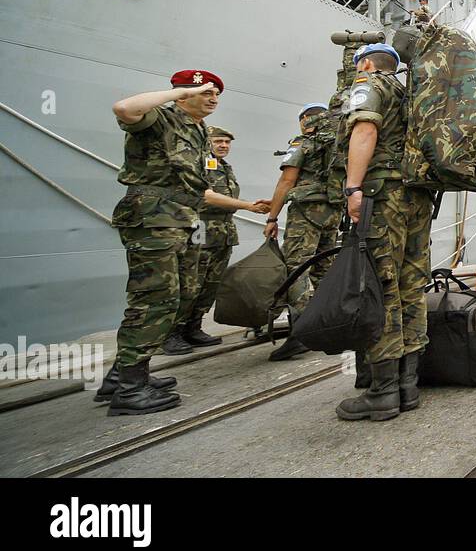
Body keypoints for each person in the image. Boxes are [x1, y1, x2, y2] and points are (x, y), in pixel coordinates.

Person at [98, 71, 270, 415]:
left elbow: (198, 187)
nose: (213, 98)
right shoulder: (160, 116)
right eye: (206, 92)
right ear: (184, 93)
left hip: (179, 217)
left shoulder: (198, 130)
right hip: (153, 217)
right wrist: (175, 93)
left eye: (217, 94)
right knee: (154, 299)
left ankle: (124, 376)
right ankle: (130, 390)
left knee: (166, 298)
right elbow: (123, 108)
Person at [333, 44, 433, 421]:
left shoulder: (369, 83)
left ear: (366, 63)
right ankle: (408, 385)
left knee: (380, 285)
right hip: (417, 198)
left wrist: (352, 188)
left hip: (383, 195)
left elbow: (364, 130)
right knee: (412, 285)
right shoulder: (414, 95)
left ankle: (383, 391)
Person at [263, 103, 340, 361]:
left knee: (297, 268)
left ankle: (303, 333)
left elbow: (287, 180)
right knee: (324, 268)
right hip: (332, 211)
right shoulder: (339, 145)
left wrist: (272, 217)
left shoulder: (303, 142)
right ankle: (331, 324)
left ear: (306, 120)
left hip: (306, 211)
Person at [176, 125, 255, 351]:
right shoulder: (199, 164)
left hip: (223, 231)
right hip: (201, 230)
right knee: (191, 282)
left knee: (210, 283)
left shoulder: (223, 167)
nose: (223, 146)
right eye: (218, 141)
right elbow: (207, 198)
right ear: (207, 141)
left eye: (227, 142)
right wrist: (248, 206)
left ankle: (193, 327)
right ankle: (173, 333)